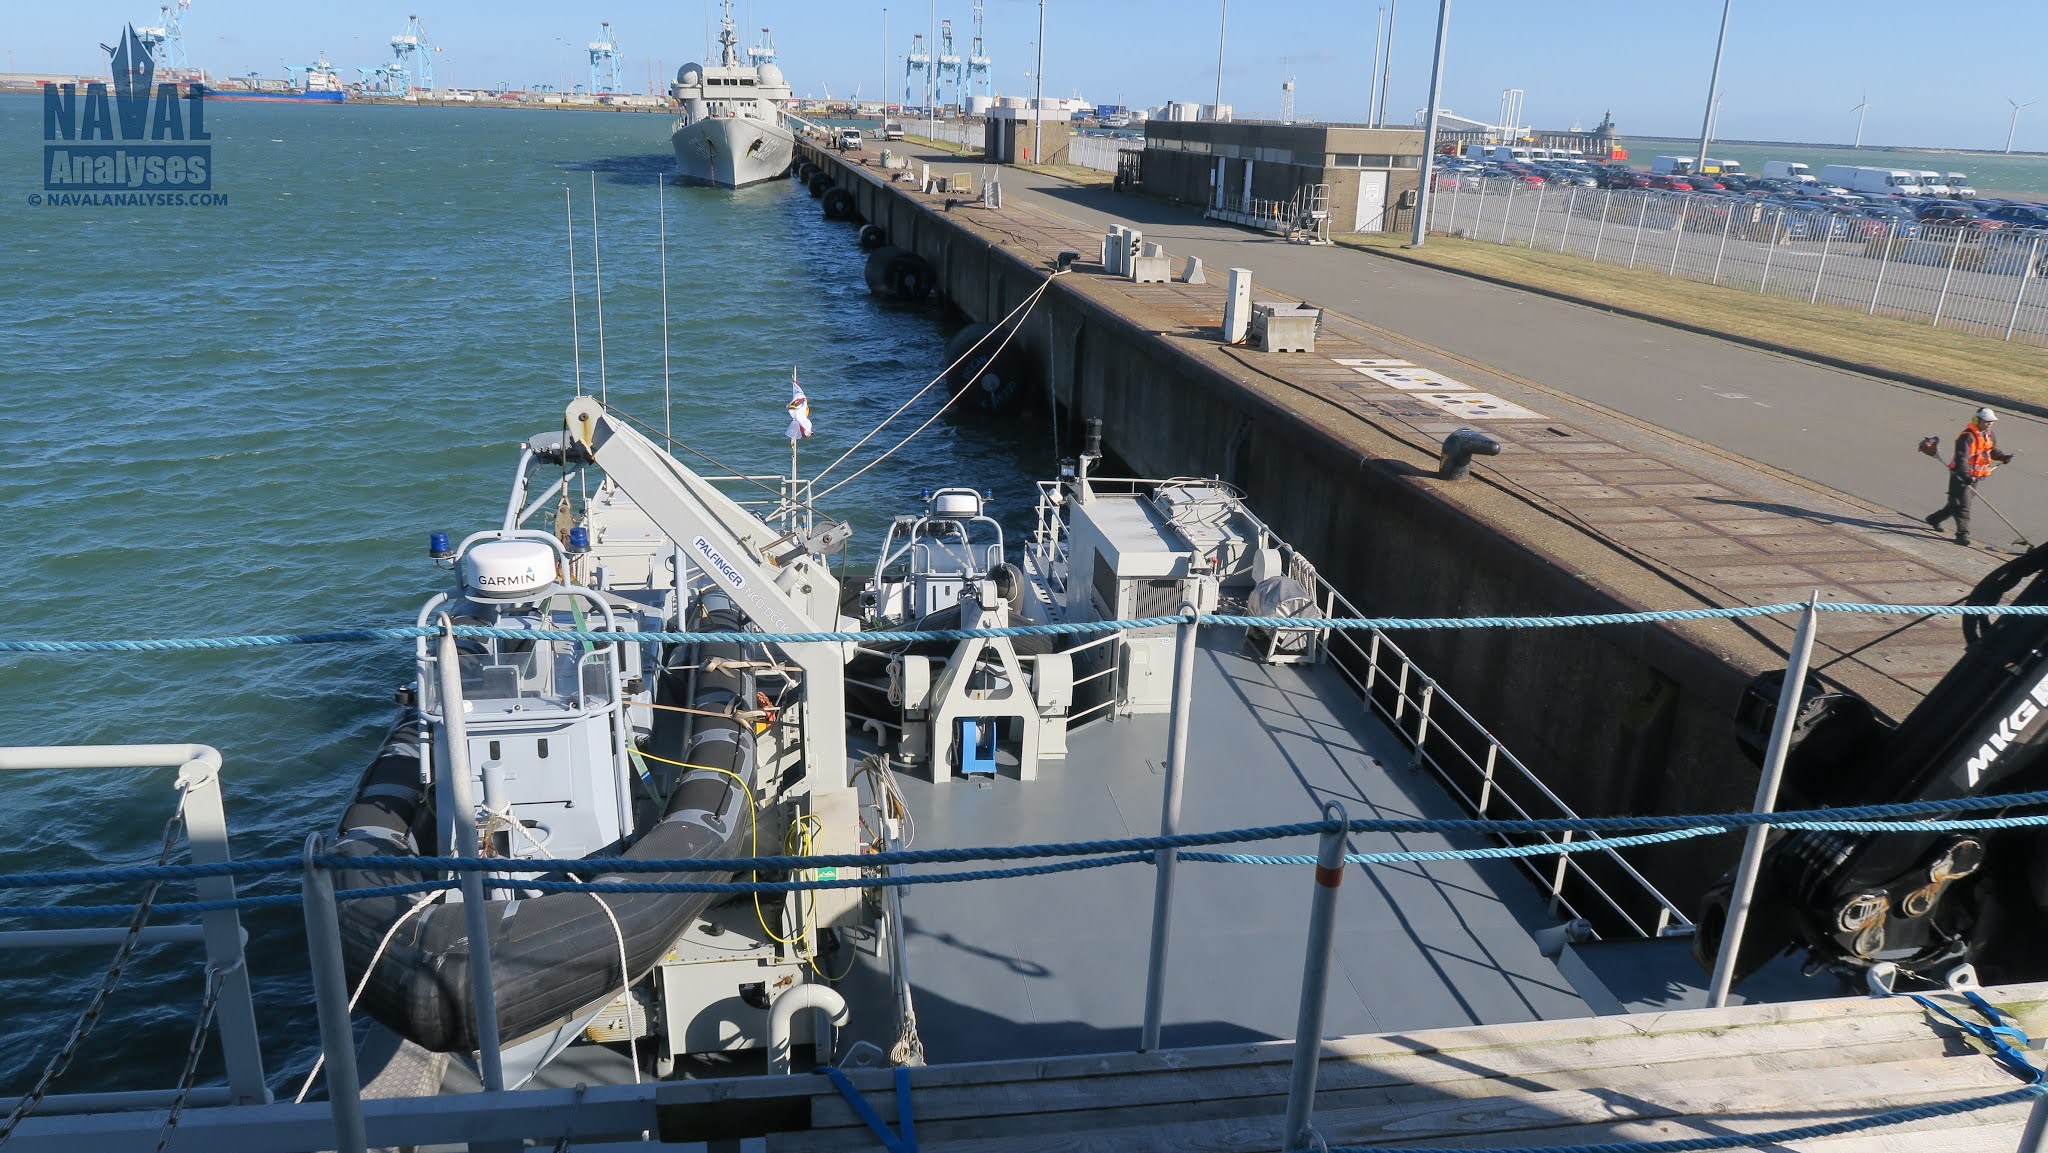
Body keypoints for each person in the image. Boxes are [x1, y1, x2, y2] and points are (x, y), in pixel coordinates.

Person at [1926, 406, 2013, 546]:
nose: (1990, 423)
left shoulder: (1990, 434)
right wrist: (1966, 475)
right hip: (1960, 476)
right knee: (1963, 505)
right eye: (1986, 421)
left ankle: (1934, 519)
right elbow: (1961, 459)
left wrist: (2003, 457)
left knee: (1956, 503)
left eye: (1991, 421)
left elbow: (1991, 451)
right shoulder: (1966, 437)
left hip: (1975, 477)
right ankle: (1962, 534)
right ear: (1977, 420)